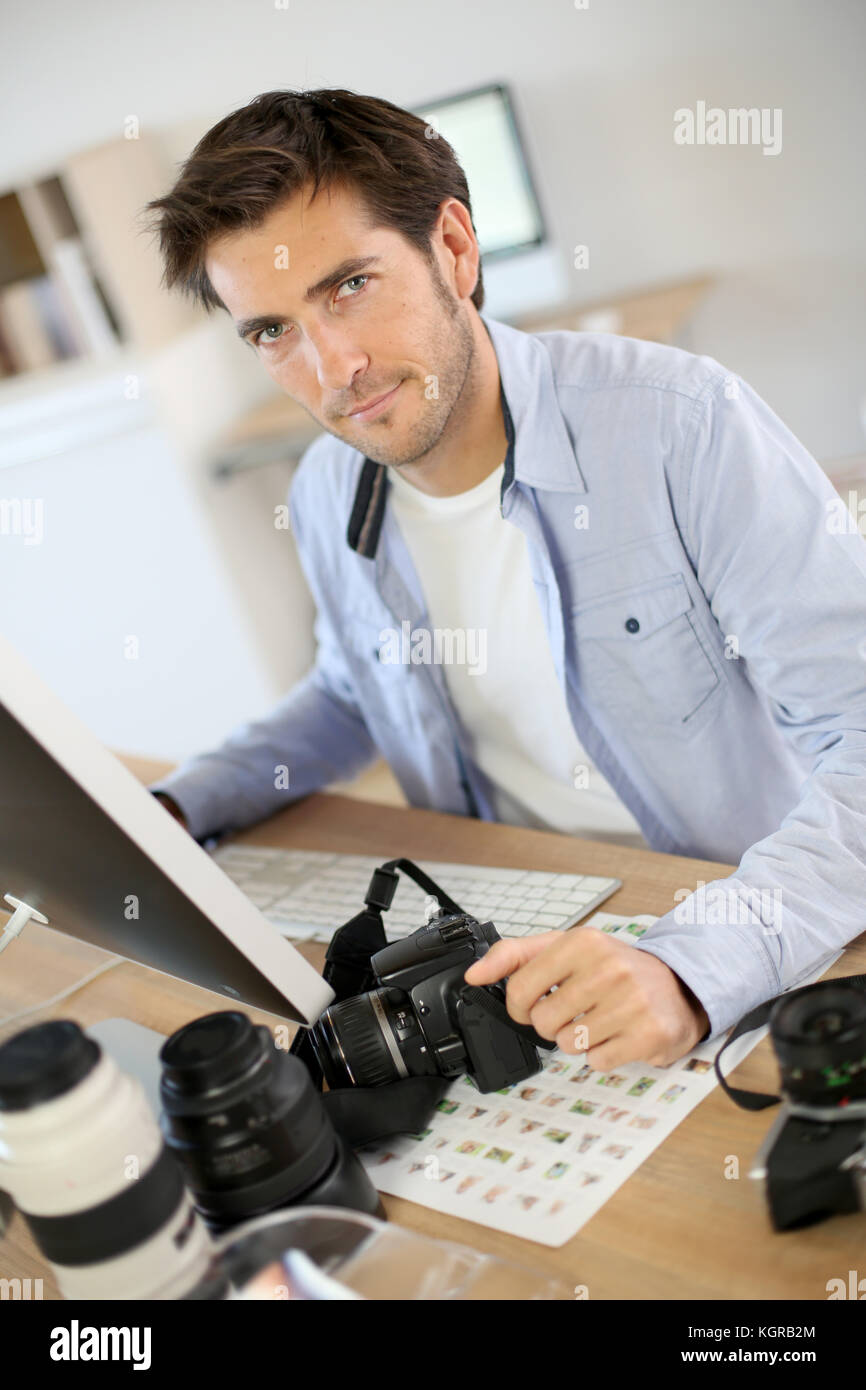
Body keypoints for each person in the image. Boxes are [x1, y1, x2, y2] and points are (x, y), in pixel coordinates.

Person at [143, 88, 866, 1071]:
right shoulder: (325, 488)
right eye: (272, 331)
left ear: (451, 247)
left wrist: (691, 967)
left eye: (349, 285)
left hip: (740, 923)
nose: (332, 368)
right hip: (516, 943)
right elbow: (353, 690)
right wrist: (179, 809)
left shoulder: (681, 424)